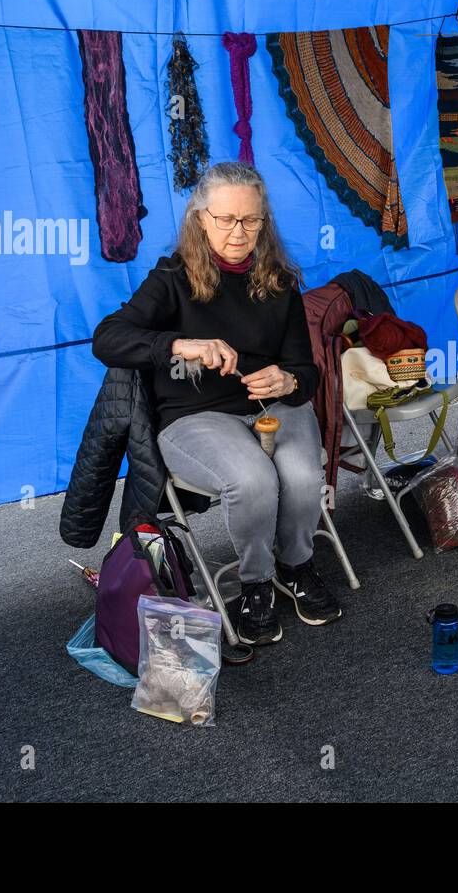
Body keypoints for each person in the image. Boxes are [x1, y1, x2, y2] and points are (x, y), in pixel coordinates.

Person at [92, 161, 339, 646]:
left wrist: (287, 380)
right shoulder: (172, 279)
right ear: (200, 218)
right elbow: (108, 338)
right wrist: (179, 346)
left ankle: (295, 567)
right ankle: (255, 586)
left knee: (304, 478)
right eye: (225, 219)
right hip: (196, 415)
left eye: (250, 220)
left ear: (264, 221)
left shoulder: (279, 282)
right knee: (252, 481)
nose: (238, 231)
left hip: (270, 407)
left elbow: (306, 373)